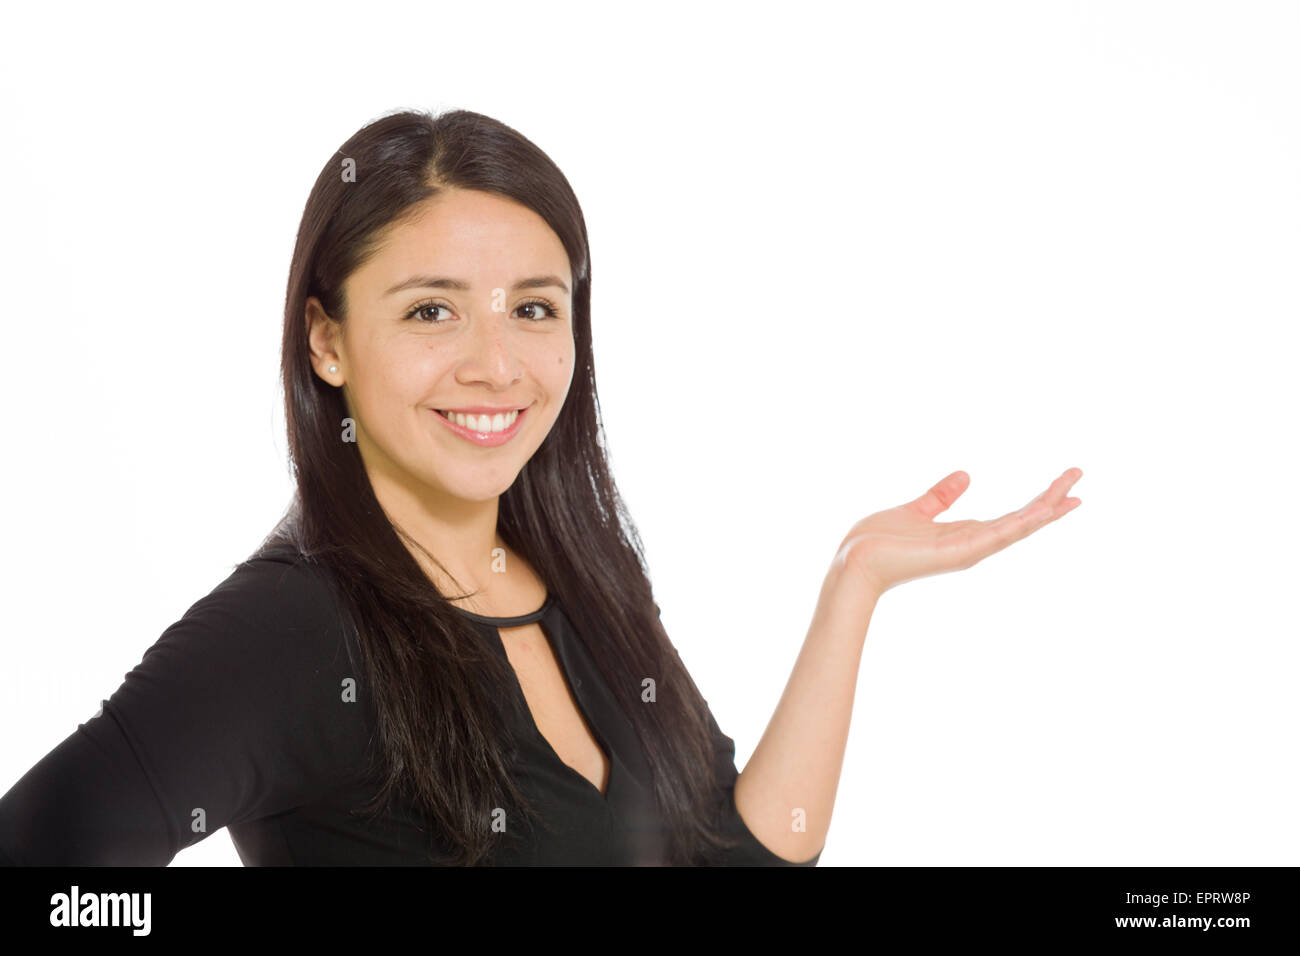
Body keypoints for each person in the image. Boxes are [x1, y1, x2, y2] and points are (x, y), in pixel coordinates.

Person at [0, 108, 1081, 866]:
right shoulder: (294, 626)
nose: (496, 365)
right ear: (326, 339)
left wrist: (854, 586)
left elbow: (729, 855)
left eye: (532, 306)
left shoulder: (579, 573)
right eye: (431, 310)